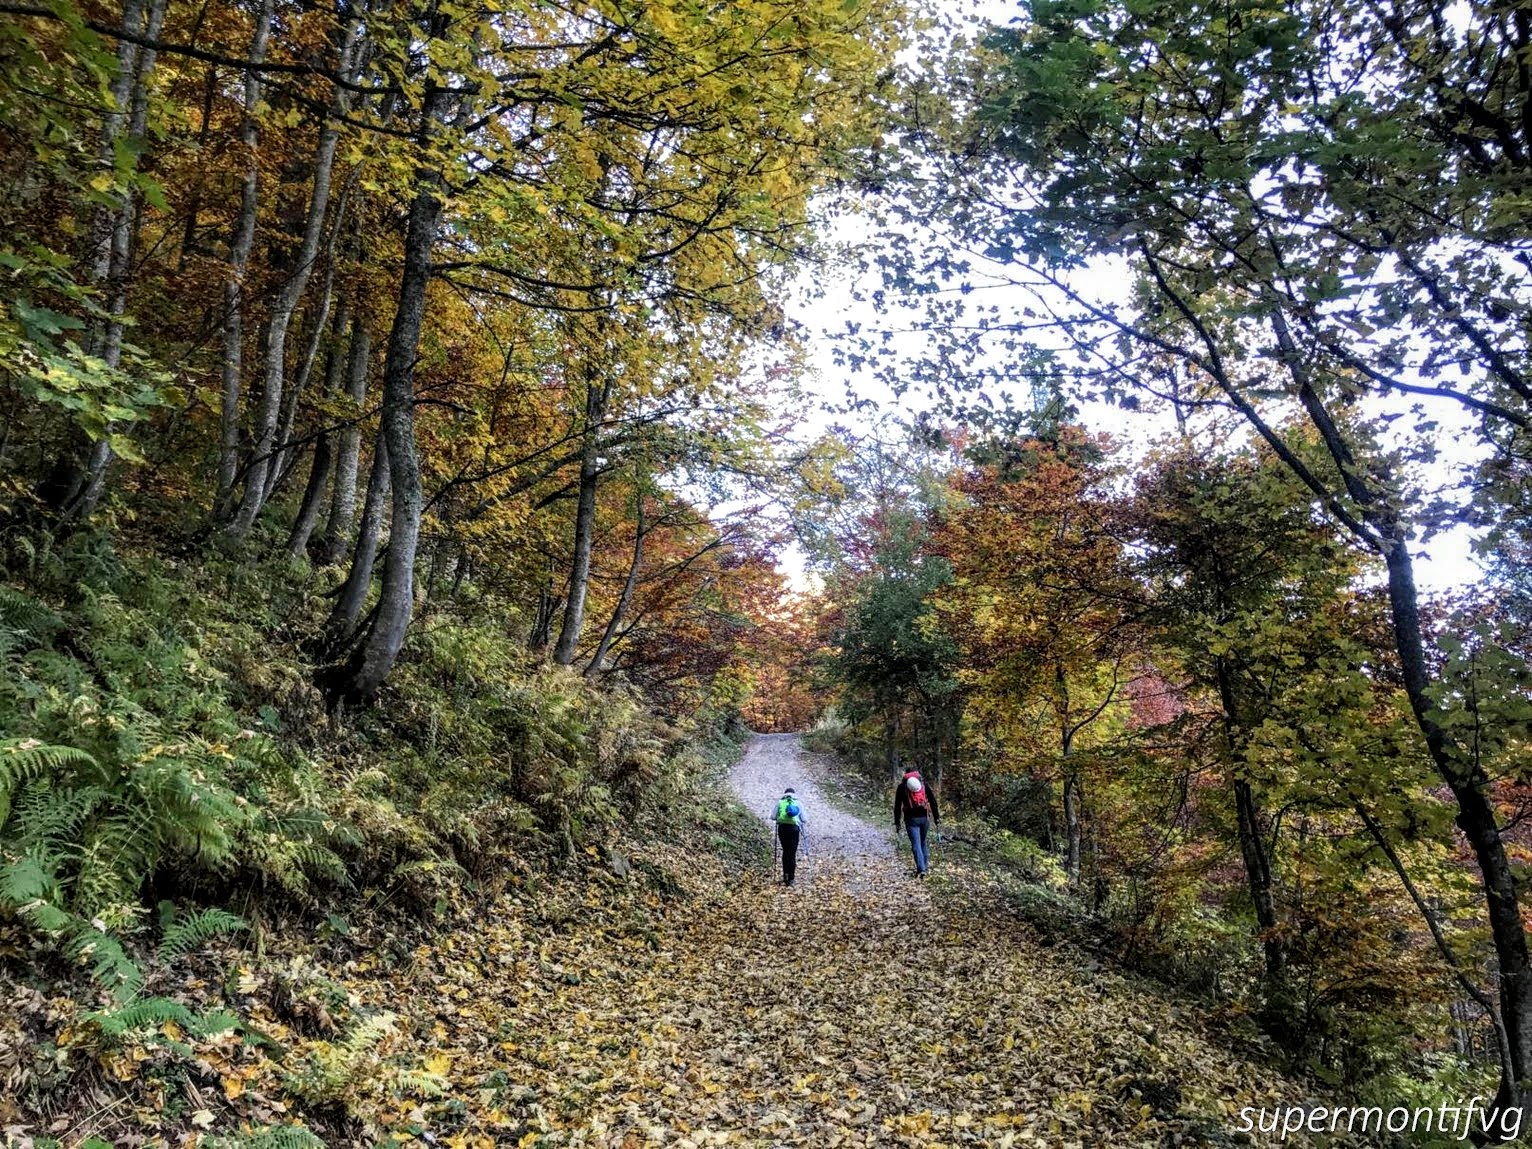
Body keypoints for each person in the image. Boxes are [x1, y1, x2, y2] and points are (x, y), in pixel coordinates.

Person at [893, 766, 940, 877]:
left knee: (916, 844)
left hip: (911, 820)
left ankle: (921, 869)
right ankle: (925, 868)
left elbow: (897, 806)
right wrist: (937, 818)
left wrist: (897, 822)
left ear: (906, 775)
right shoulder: (923, 784)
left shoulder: (902, 787)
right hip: (924, 818)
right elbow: (933, 801)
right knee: (923, 842)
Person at [772, 786, 807, 886]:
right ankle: (791, 878)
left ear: (785, 794)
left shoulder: (780, 802)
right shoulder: (798, 803)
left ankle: (785, 876)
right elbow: (804, 819)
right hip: (794, 830)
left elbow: (773, 817)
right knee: (792, 853)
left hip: (782, 829)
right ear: (794, 794)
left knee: (785, 851)